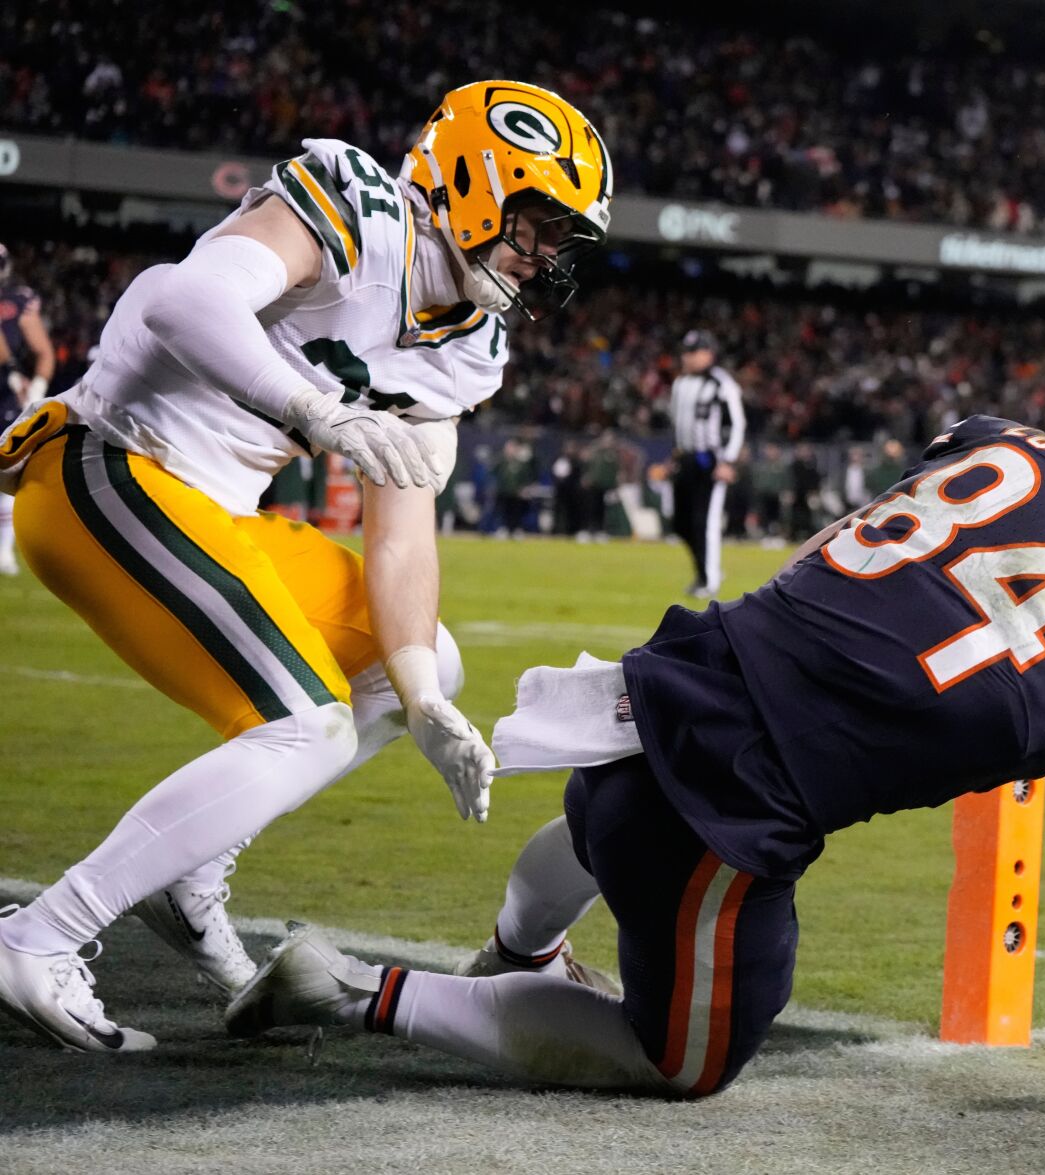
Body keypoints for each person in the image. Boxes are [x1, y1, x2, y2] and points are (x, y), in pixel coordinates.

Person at [227, 375, 1045, 1097]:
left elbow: (901, 606)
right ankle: (356, 987)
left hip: (658, 687)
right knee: (686, 1058)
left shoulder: (1001, 448)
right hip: (727, 806)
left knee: (616, 808)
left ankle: (518, 946)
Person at [0, 80, 614, 1053]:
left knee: (431, 665)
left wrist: (420, 702)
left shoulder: (468, 347)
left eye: (558, 239)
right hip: (110, 461)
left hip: (212, 508)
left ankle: (189, 870)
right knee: (303, 725)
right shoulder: (358, 206)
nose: (542, 256)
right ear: (467, 180)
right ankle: (41, 935)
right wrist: (315, 412)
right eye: (535, 223)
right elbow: (182, 300)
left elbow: (400, 531)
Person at [668, 330, 745, 598]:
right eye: (685, 352)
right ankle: (706, 568)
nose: (686, 357)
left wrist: (728, 460)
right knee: (680, 522)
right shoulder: (680, 383)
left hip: (709, 459)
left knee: (705, 521)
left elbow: (736, 424)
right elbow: (680, 425)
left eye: (693, 352)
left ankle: (708, 579)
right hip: (686, 457)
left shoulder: (722, 383)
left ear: (708, 354)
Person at [0, 243, 56, 576]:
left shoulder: (16, 301)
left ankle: (3, 551)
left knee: (5, 469)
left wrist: (35, 389)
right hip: (7, 381)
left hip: (6, 397)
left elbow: (44, 353)